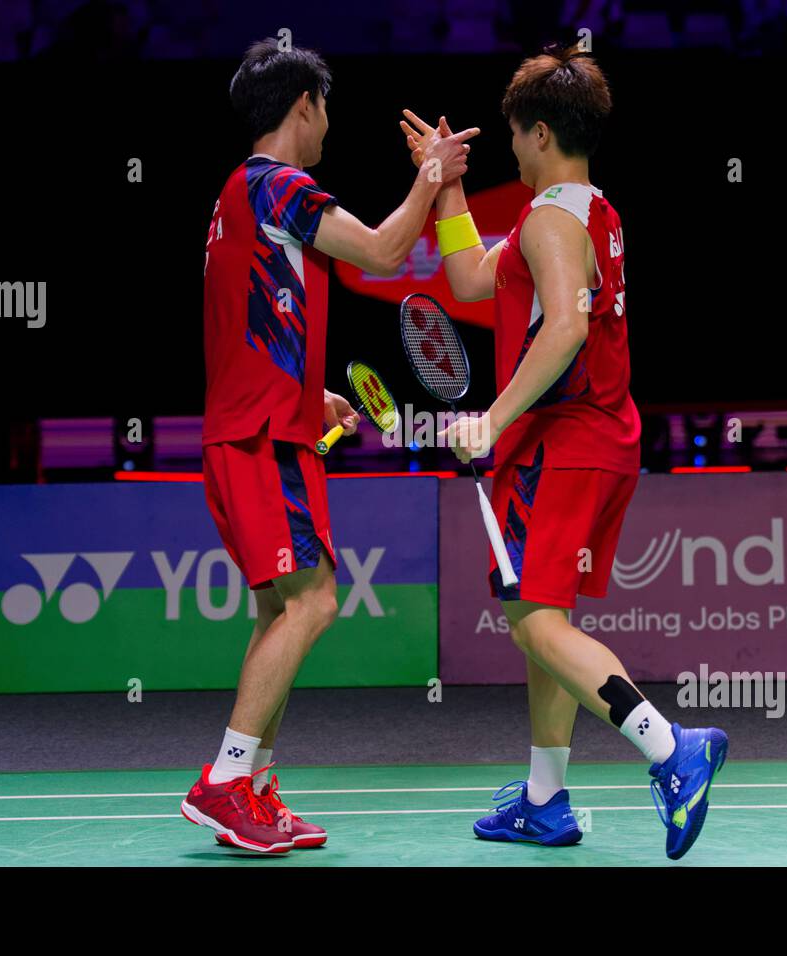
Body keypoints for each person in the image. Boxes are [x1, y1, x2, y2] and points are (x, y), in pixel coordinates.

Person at [404, 45, 728, 860]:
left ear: (540, 131)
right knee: (539, 615)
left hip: (565, 441)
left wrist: (491, 418)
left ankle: (669, 747)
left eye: (514, 132)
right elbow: (472, 280)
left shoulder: (552, 219)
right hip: (597, 437)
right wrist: (445, 184)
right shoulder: (586, 210)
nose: (509, 147)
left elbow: (567, 326)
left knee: (534, 621)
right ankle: (544, 799)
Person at [181, 38, 478, 854]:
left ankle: (256, 786)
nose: (327, 125)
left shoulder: (237, 195)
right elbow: (384, 251)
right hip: (261, 440)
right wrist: (434, 175)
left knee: (280, 609)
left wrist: (312, 399)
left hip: (264, 426)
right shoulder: (279, 183)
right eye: (326, 108)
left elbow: (249, 321)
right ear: (304, 105)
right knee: (314, 602)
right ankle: (225, 782)